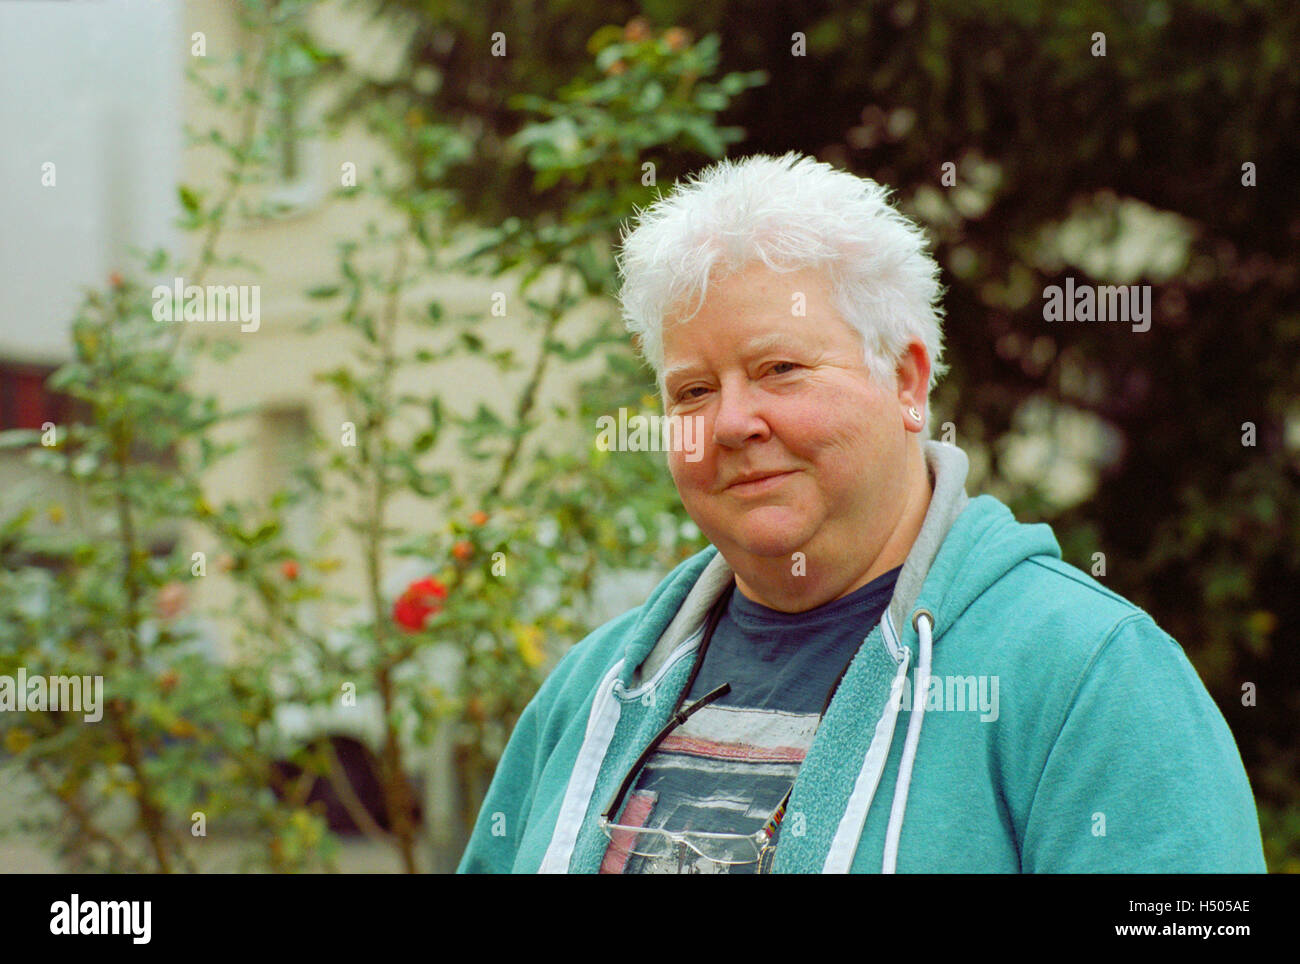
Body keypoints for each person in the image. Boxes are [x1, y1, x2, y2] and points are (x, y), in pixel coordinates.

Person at [457, 152, 1266, 873]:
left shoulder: (1091, 678)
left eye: (779, 369)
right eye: (694, 390)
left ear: (907, 382)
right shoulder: (591, 691)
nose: (735, 421)